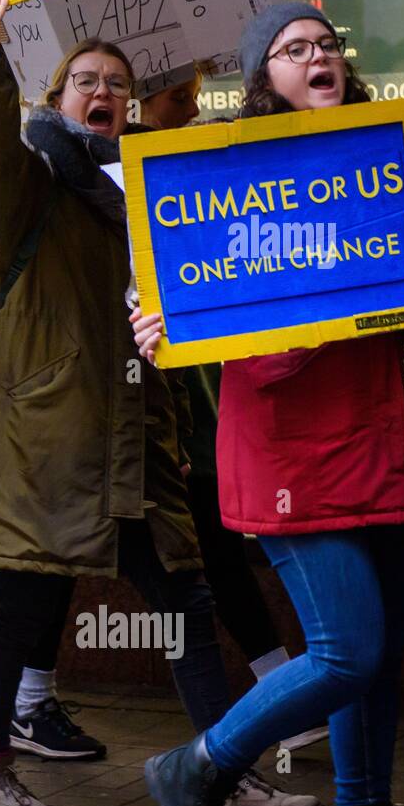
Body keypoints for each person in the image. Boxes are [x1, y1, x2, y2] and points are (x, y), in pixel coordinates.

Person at [136, 1, 404, 806]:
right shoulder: (228, 182)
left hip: (376, 452)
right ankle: (198, 765)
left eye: (326, 44)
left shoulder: (375, 167)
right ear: (265, 82)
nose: (318, 55)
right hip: (291, 462)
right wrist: (323, 308)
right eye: (294, 49)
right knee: (346, 649)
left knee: (380, 657)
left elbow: (394, 322)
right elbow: (247, 348)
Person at [0, 0, 320, 806]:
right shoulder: (33, 186)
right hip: (50, 442)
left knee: (185, 603)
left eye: (118, 82)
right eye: (85, 78)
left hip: (137, 440)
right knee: (22, 609)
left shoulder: (151, 194)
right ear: (56, 98)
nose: (104, 92)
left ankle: (222, 776)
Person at [135, 72, 329, 756]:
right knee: (36, 582)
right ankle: (23, 707)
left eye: (193, 99)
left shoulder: (201, 183)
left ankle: (267, 709)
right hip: (149, 427)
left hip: (199, 419)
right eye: (177, 101)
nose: (191, 112)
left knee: (209, 565)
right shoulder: (111, 193)